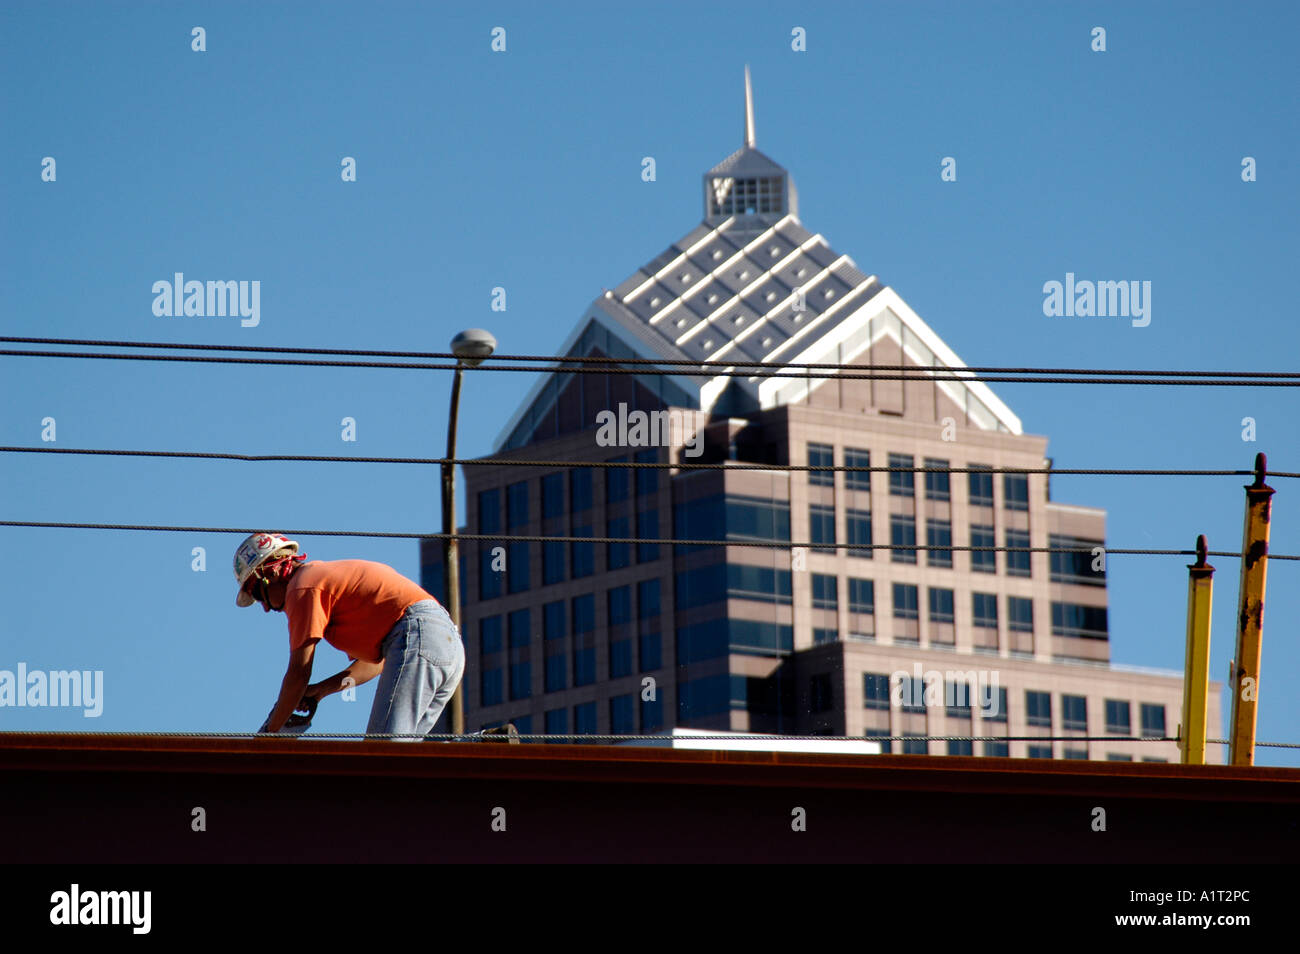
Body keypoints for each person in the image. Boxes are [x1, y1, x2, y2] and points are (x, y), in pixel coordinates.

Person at [233, 532, 466, 740]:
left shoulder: (302, 587)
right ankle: (476, 742)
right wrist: (321, 690)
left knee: (382, 755)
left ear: (271, 573)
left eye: (258, 595)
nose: (265, 608)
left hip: (420, 637)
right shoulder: (324, 583)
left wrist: (269, 735)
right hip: (445, 646)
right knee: (405, 757)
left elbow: (298, 673)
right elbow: (379, 663)